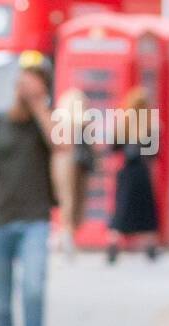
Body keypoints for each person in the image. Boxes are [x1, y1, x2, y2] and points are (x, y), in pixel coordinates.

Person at [0, 54, 57, 326]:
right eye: (24, 80)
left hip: (34, 220)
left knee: (33, 290)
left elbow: (63, 145)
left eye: (36, 80)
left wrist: (39, 105)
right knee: (0, 301)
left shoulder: (47, 125)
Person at [105, 87, 159, 263]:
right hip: (142, 172)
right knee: (146, 210)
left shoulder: (124, 123)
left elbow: (113, 147)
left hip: (127, 171)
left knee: (122, 209)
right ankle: (150, 246)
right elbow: (154, 153)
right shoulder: (150, 125)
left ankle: (113, 244)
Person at [50, 88, 94, 257]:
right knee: (71, 200)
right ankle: (65, 235)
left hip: (70, 163)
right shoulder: (79, 122)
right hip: (74, 163)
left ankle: (64, 235)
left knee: (68, 199)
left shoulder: (60, 122)